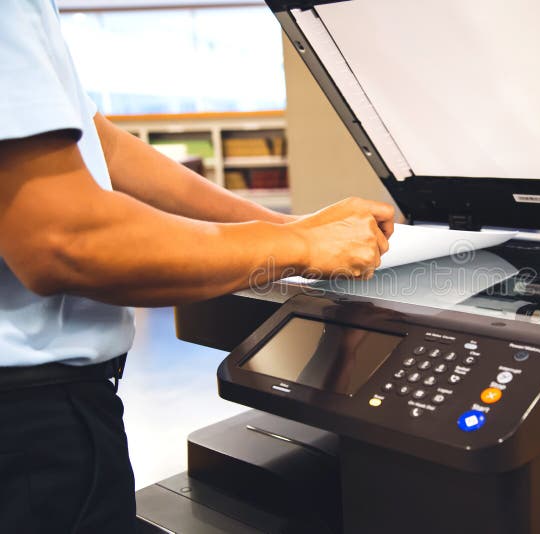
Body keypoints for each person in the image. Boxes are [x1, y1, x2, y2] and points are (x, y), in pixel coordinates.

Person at [0, 1, 394, 531]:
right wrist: (298, 247)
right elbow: (64, 239)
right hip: (26, 426)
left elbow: (104, 145)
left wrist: (288, 225)